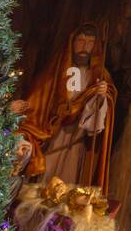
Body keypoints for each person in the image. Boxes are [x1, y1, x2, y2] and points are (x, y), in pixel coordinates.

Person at [15, 24, 117, 196]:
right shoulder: (56, 71)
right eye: (81, 41)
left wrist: (101, 96)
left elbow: (103, 113)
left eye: (90, 42)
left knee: (68, 183)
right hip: (52, 134)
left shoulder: (100, 76)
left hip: (76, 138)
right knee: (45, 183)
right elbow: (38, 99)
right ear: (72, 43)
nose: (85, 47)